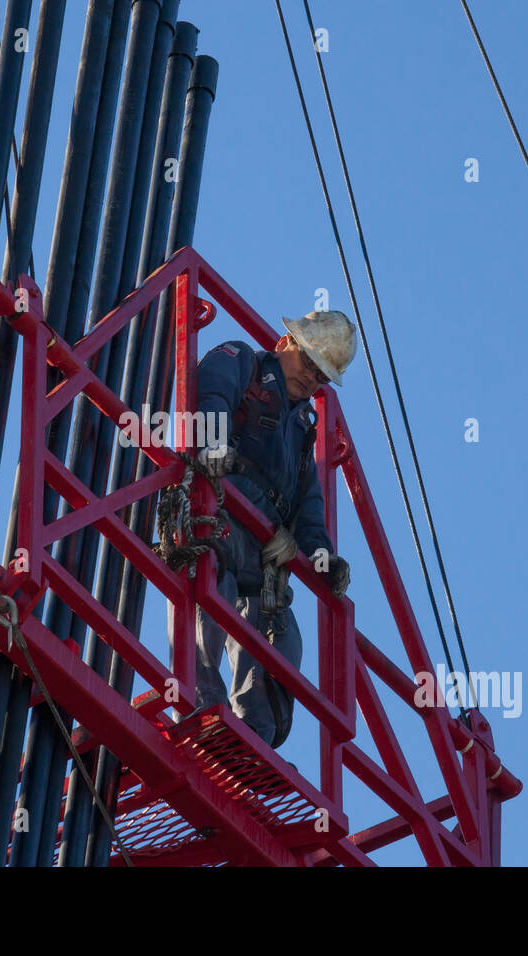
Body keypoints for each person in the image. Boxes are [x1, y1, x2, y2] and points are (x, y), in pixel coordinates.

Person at [167, 309, 356, 749]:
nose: (311, 379)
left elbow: (307, 505)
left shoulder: (301, 430)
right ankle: (201, 709)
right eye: (309, 363)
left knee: (281, 633)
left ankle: (253, 741)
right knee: (212, 587)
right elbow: (210, 394)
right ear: (284, 344)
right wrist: (214, 445)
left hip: (266, 547)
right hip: (218, 514)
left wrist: (322, 555)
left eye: (322, 376)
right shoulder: (240, 362)